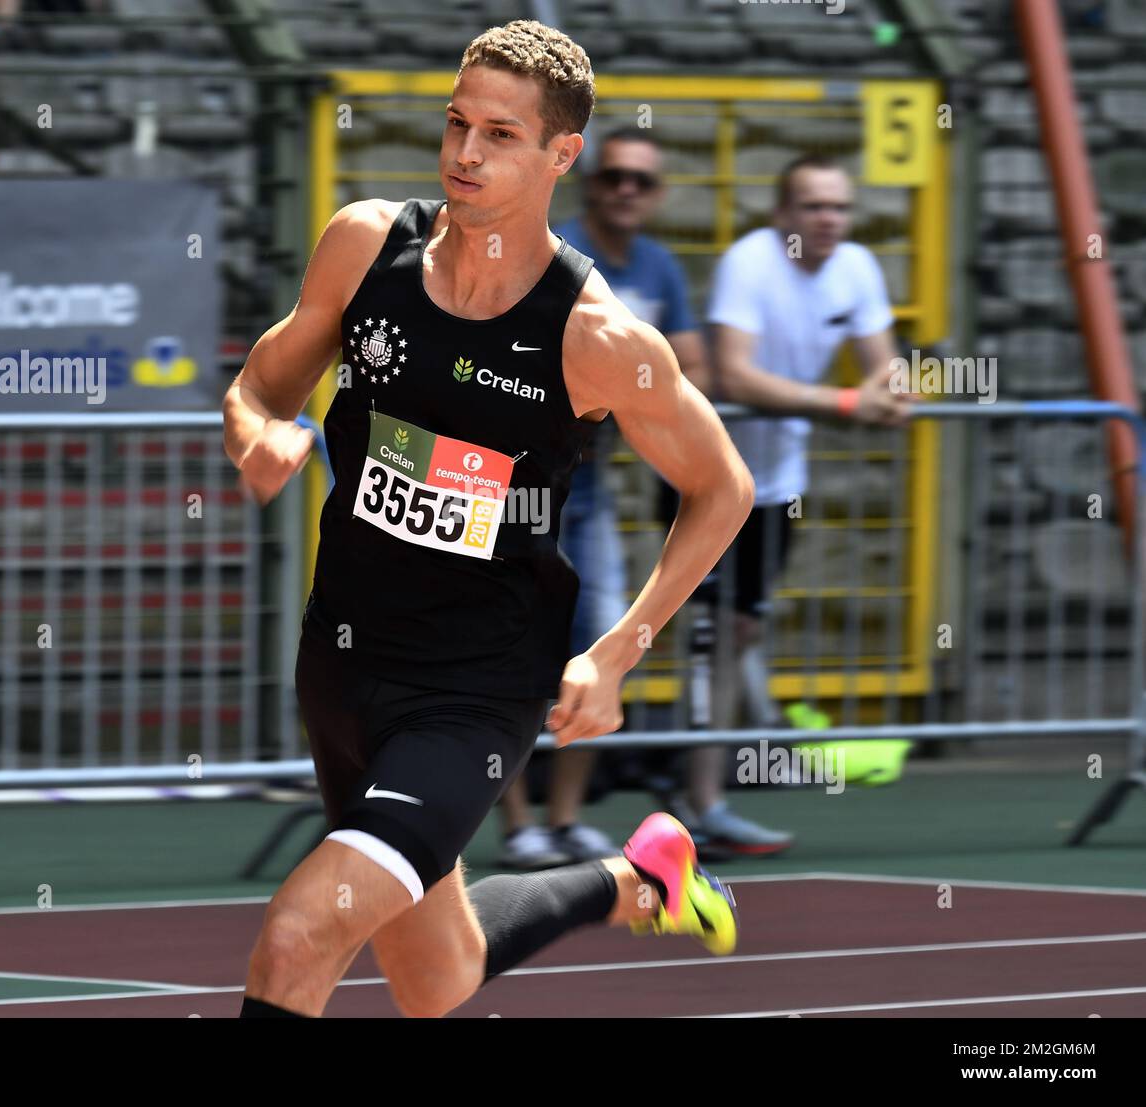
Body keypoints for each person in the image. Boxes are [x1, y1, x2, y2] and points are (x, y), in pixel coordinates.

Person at [224, 20, 753, 1019]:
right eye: (457, 124)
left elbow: (721, 487)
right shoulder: (365, 247)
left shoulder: (598, 340)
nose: (464, 155)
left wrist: (616, 654)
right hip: (340, 664)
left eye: (500, 136)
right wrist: (256, 434)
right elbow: (260, 385)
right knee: (437, 980)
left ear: (563, 154)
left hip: (472, 689)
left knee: (300, 934)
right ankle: (635, 881)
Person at [672, 153, 912, 857]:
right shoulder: (750, 263)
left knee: (738, 631)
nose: (828, 219)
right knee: (709, 637)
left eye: (839, 207)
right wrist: (846, 402)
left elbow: (883, 365)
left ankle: (696, 785)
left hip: (778, 487)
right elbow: (737, 373)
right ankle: (695, 797)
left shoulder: (857, 267)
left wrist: (893, 389)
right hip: (706, 473)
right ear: (783, 215)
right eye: (813, 206)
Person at [498, 126, 714, 870]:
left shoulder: (659, 266)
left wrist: (629, 383)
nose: (627, 189)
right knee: (509, 656)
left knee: (600, 650)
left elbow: (694, 369)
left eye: (641, 181)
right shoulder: (554, 253)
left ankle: (565, 820)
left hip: (586, 497)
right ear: (591, 180)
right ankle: (517, 822)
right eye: (615, 176)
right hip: (509, 492)